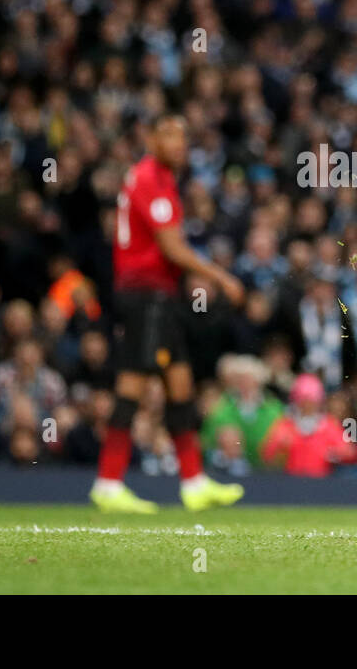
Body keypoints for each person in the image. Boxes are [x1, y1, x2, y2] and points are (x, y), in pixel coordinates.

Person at [91, 113, 248, 513]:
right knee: (132, 385)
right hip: (145, 294)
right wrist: (221, 277)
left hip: (158, 295)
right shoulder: (150, 179)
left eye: (183, 138)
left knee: (180, 384)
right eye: (169, 136)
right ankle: (108, 483)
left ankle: (194, 483)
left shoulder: (158, 178)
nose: (178, 145)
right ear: (152, 139)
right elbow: (172, 248)